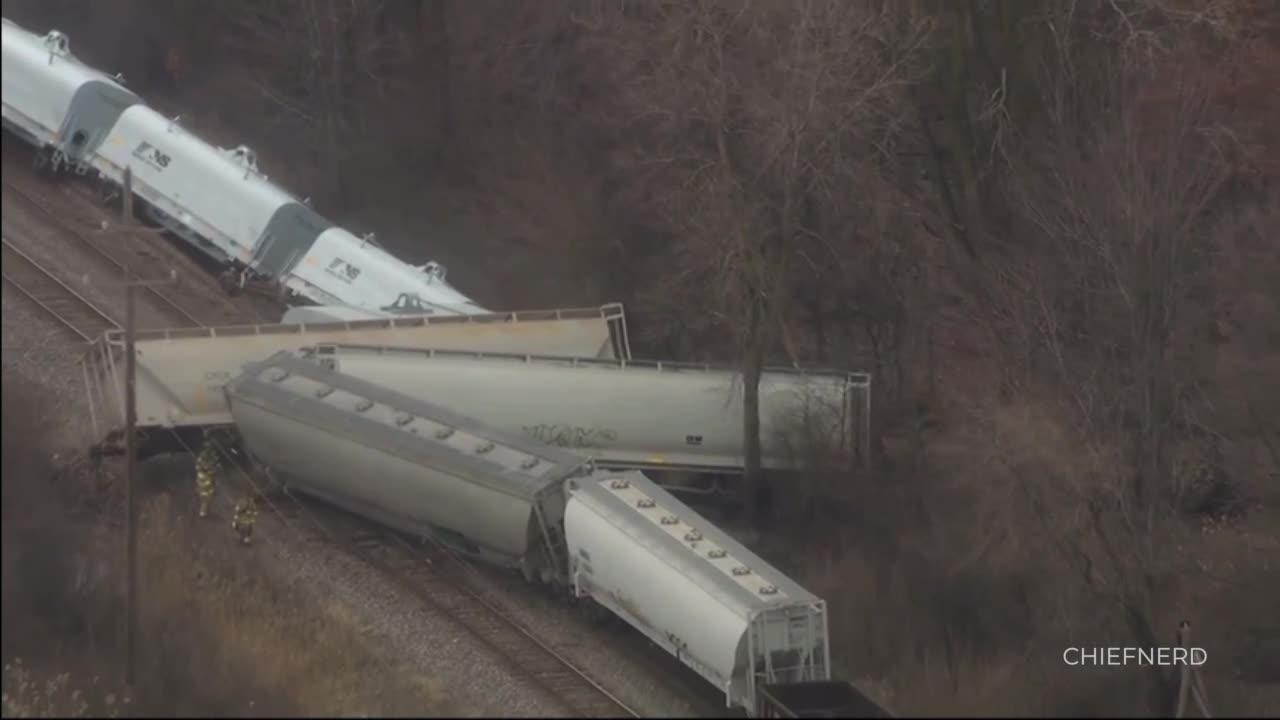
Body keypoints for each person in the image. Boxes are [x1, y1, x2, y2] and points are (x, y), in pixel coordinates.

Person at [194, 445, 220, 518]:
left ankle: (204, 510)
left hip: (206, 481)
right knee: (205, 499)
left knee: (206, 498)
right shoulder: (203, 458)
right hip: (205, 483)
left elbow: (215, 466)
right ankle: (203, 512)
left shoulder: (209, 456)